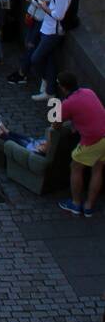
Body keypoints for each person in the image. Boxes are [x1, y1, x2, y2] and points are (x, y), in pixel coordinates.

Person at [7, 0, 73, 100]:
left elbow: (58, 14)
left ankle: (43, 82)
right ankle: (49, 89)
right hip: (44, 25)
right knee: (49, 59)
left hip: (50, 29)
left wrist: (43, 6)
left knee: (36, 57)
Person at [53, 72, 105, 216]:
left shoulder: (67, 103)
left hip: (92, 140)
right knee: (98, 168)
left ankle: (75, 204)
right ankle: (89, 206)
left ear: (63, 88)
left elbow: (56, 125)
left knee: (75, 166)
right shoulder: (89, 92)